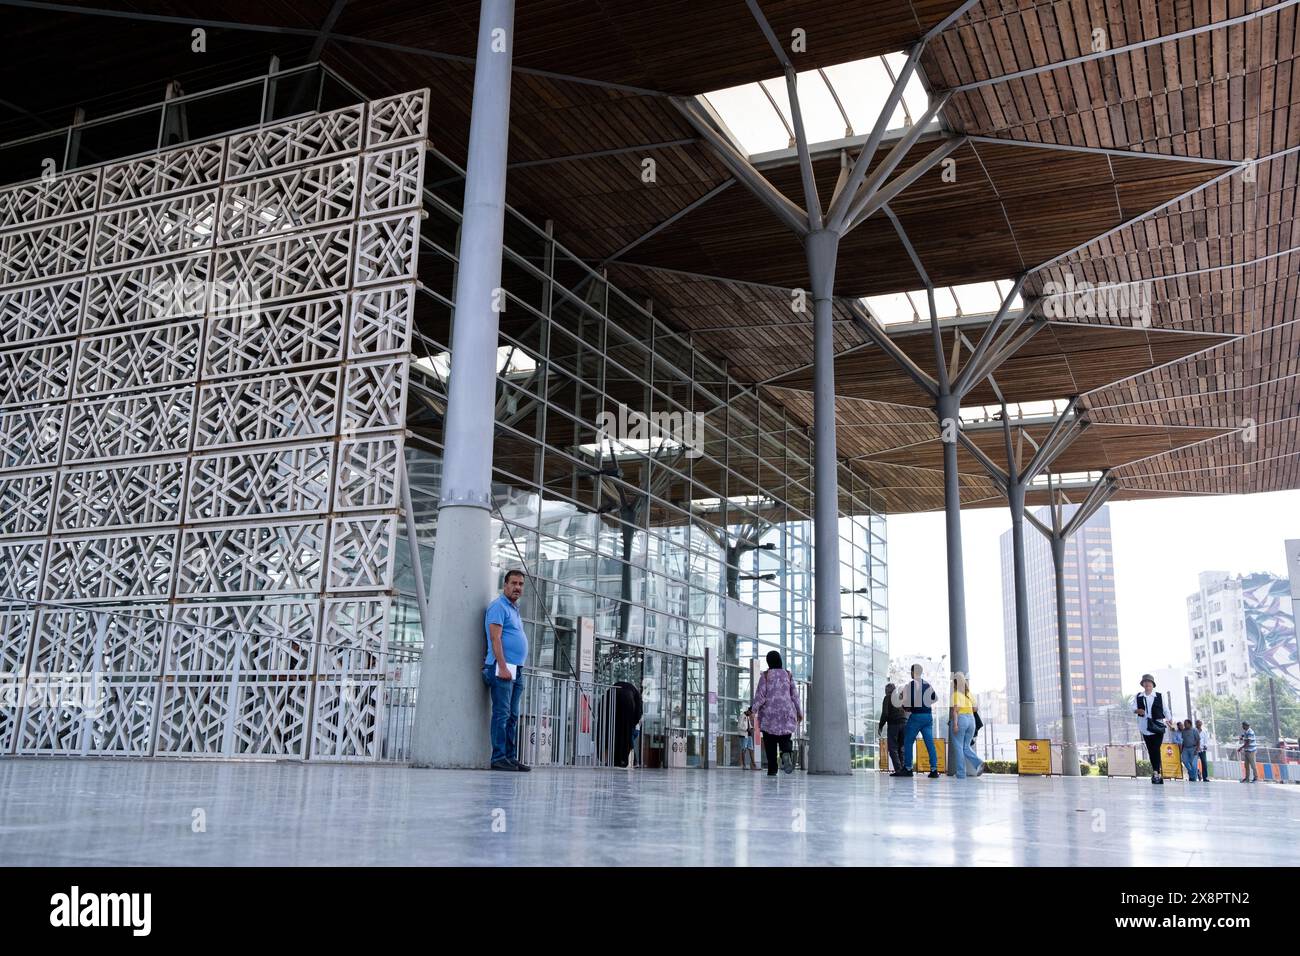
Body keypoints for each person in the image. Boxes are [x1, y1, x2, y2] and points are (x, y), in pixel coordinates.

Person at [482, 570, 531, 771]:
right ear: (505, 584)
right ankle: (499, 757)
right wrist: (501, 666)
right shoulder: (498, 606)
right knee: (502, 714)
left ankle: (510, 757)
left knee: (513, 715)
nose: (517, 587)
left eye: (521, 584)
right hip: (502, 667)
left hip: (516, 669)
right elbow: (495, 638)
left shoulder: (514, 609)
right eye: (514, 583)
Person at [751, 650, 802, 776]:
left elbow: (761, 696)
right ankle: (785, 752)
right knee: (785, 738)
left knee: (770, 743)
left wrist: (752, 709)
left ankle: (772, 769)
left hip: (769, 715)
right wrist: (799, 711)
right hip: (786, 712)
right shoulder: (788, 675)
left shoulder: (766, 675)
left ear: (769, 661)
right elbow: (794, 696)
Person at [900, 663, 939, 779]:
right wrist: (925, 703)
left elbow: (906, 703)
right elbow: (935, 698)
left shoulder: (911, 685)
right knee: (929, 743)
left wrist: (902, 698)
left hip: (916, 716)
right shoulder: (927, 684)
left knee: (907, 741)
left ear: (913, 672)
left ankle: (908, 768)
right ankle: (934, 770)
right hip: (928, 716)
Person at [949, 673, 984, 778]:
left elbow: (955, 711)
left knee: (959, 747)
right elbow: (975, 709)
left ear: (955, 683)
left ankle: (960, 773)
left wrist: (955, 724)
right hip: (971, 720)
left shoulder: (956, 694)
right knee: (966, 746)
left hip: (961, 719)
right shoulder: (969, 694)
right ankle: (978, 763)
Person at [1134, 674, 1167, 785]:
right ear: (1143, 684)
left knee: (1156, 749)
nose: (1147, 684)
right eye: (1145, 682)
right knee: (1151, 750)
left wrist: (1170, 720)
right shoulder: (1139, 696)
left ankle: (1157, 772)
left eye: (1149, 682)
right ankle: (1156, 772)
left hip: (1157, 727)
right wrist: (1138, 711)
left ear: (1153, 685)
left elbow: (1166, 709)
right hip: (1145, 727)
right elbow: (1132, 708)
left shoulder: (1159, 696)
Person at [877, 682, 908, 776]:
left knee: (892, 748)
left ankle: (898, 769)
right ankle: (903, 769)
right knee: (901, 748)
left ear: (887, 691)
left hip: (894, 725)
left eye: (885, 690)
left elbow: (885, 713)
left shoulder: (887, 698)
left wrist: (880, 726)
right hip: (904, 724)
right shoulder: (900, 698)